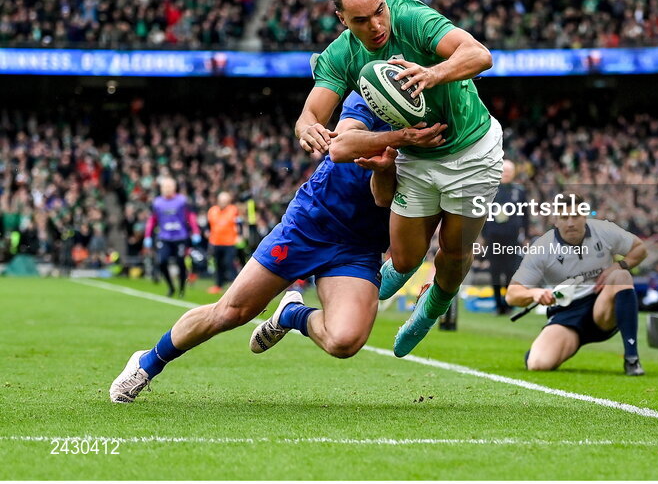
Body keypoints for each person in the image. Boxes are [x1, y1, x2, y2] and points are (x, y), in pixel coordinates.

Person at [109, 93, 443, 403]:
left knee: (345, 342)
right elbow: (341, 145)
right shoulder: (376, 88)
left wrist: (386, 168)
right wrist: (399, 138)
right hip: (312, 222)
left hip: (359, 245)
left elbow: (384, 197)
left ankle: (292, 314)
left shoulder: (442, 116)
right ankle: (147, 363)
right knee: (232, 312)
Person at [295, 0, 502, 358]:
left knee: (453, 254)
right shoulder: (341, 56)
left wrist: (432, 72)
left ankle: (429, 311)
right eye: (360, 20)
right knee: (405, 259)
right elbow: (311, 114)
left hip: (474, 150)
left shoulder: (411, 16)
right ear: (341, 19)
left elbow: (481, 54)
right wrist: (308, 129)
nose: (375, 25)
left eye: (378, 11)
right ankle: (374, 292)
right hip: (416, 158)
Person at [505, 202, 649, 376]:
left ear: (585, 217)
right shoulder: (542, 247)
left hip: (601, 307)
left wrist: (619, 265)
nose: (571, 222)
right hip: (567, 313)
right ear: (556, 221)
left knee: (622, 277)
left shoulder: (604, 230)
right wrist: (534, 293)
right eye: (565, 218)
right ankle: (545, 348)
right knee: (537, 363)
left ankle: (632, 359)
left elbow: (640, 248)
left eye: (576, 216)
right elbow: (512, 295)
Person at [481, 160, 530, 314]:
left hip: (512, 238)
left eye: (509, 170)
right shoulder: (490, 190)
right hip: (493, 237)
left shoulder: (519, 191)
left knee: (511, 271)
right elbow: (482, 213)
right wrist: (483, 235)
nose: (506, 173)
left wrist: (526, 235)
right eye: (504, 170)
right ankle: (498, 305)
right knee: (495, 271)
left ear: (513, 173)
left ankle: (508, 303)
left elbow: (525, 214)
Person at [144, 177, 202, 298]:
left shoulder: (182, 201)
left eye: (169, 186)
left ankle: (181, 288)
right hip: (164, 237)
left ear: (174, 187)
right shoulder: (157, 202)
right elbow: (152, 220)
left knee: (181, 263)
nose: (167, 189)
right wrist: (147, 236)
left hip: (180, 237)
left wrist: (196, 231)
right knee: (162, 261)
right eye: (165, 187)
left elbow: (190, 216)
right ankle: (171, 286)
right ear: (161, 188)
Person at [206, 191, 240, 294]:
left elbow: (239, 224)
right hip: (215, 242)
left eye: (225, 200)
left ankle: (234, 285)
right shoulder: (212, 211)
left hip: (229, 242)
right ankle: (218, 284)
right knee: (218, 264)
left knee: (229, 263)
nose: (223, 202)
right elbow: (208, 225)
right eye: (221, 200)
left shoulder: (233, 210)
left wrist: (240, 235)